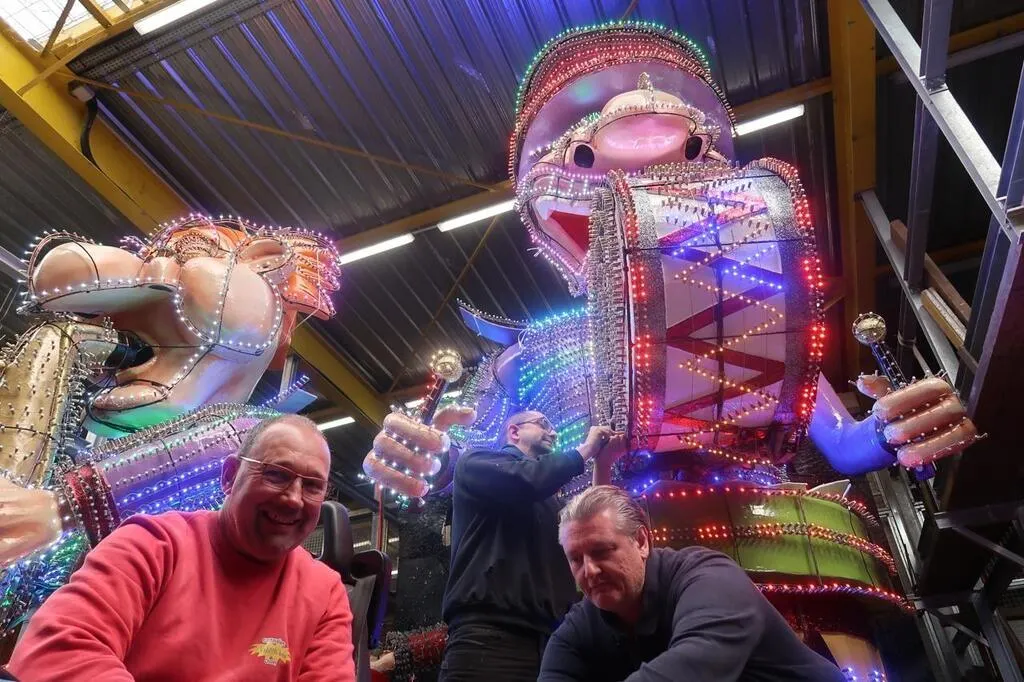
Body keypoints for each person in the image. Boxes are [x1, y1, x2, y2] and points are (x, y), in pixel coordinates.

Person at [5, 414, 355, 681]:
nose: (294, 499)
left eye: (312, 486)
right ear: (230, 476)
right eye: (277, 474)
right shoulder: (151, 543)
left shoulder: (324, 592)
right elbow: (57, 652)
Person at [539, 485, 847, 682]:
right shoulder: (579, 627)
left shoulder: (709, 578)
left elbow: (693, 668)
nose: (589, 571)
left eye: (601, 551)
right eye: (576, 559)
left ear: (642, 541)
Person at [438, 410, 625, 682]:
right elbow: (528, 479)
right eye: (543, 425)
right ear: (514, 431)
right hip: (488, 642)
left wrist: (603, 463)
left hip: (551, 643)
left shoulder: (545, 497)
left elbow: (588, 526)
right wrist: (586, 450)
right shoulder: (476, 462)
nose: (553, 432)